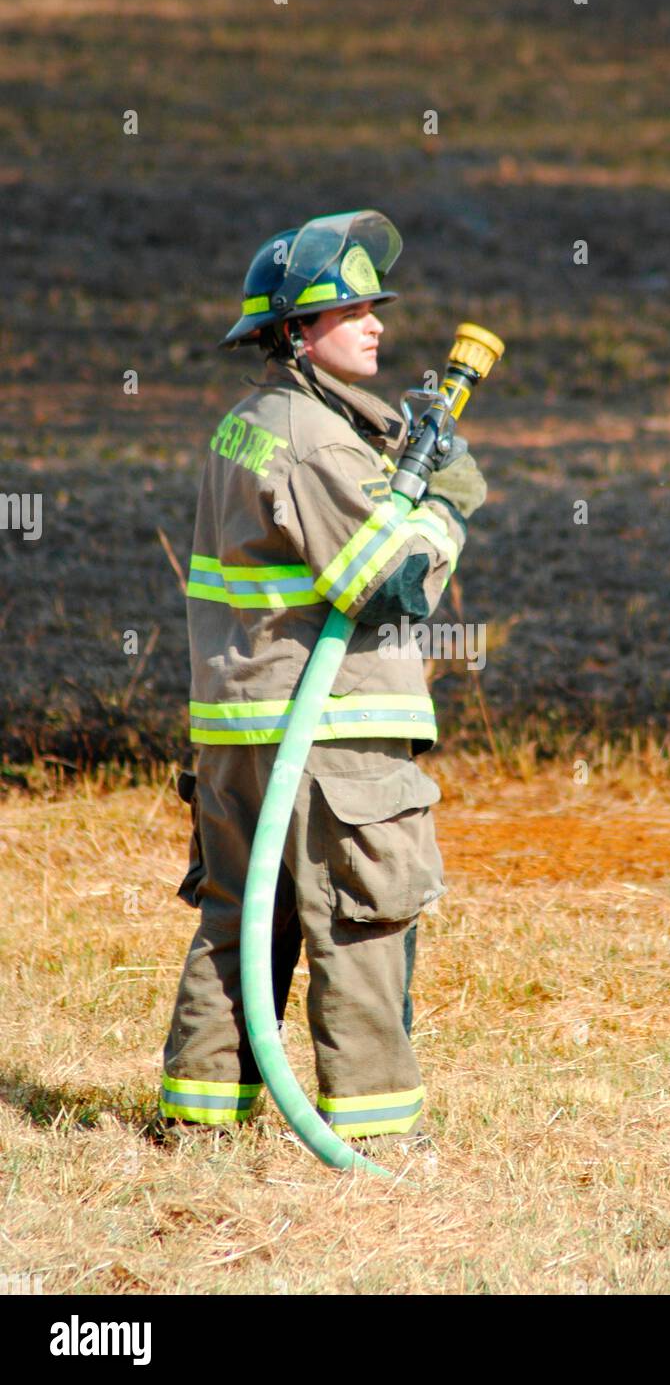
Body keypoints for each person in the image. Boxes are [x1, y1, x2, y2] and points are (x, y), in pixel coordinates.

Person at [157, 211, 487, 1153]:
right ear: (298, 332)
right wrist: (444, 506)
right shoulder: (314, 437)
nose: (377, 322)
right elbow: (387, 585)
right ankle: (378, 1145)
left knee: (239, 923)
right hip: (329, 734)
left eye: (376, 305)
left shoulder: (248, 427)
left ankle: (202, 1131)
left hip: (238, 731)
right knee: (362, 923)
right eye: (351, 309)